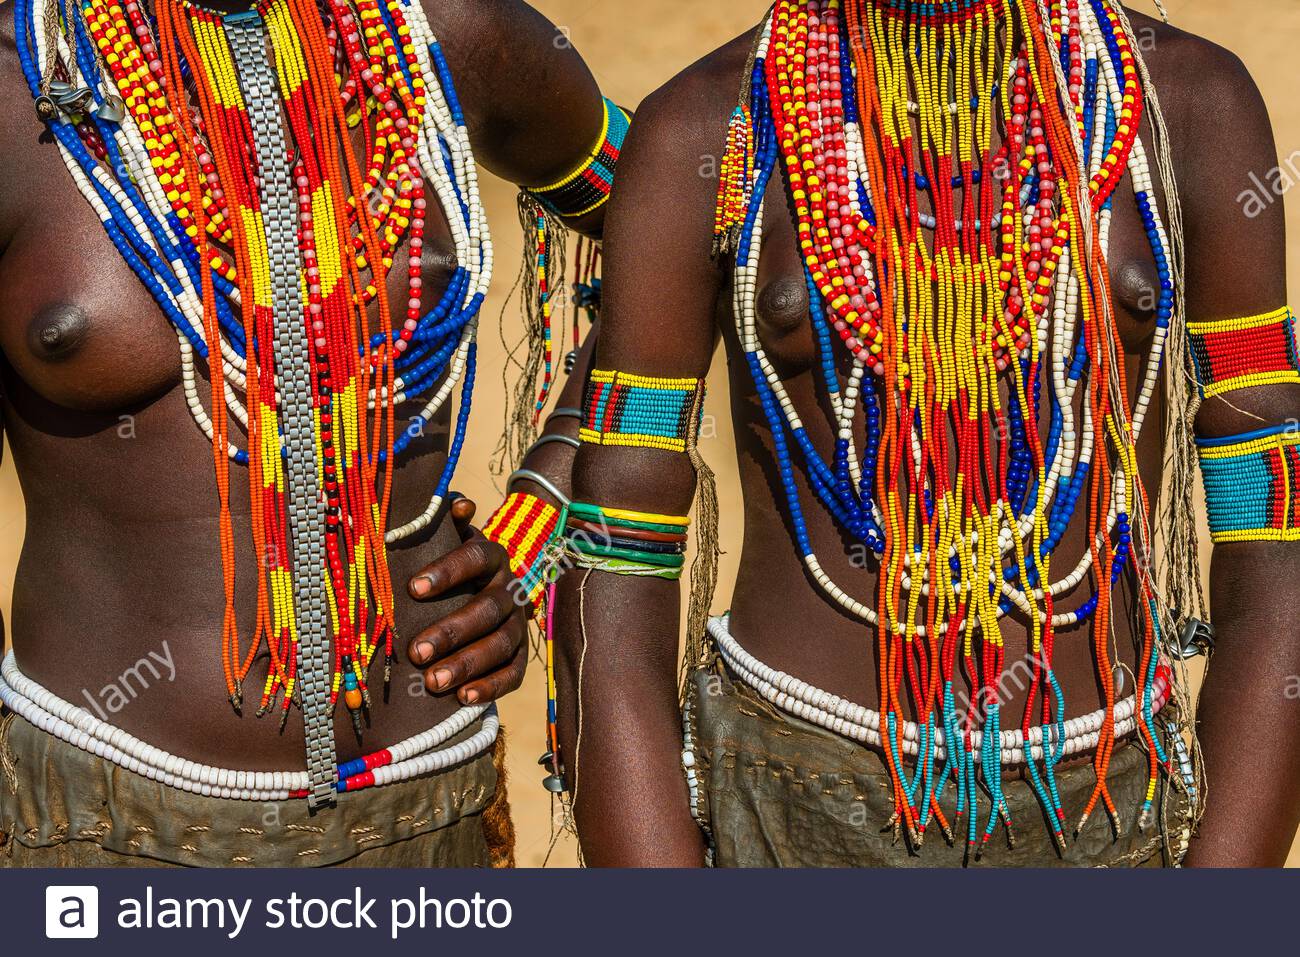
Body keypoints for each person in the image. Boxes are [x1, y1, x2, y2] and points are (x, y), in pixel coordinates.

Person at [544, 0, 1300, 867]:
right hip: (789, 794)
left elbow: (1275, 528)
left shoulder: (1184, 103)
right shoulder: (709, 128)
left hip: (1109, 796)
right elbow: (611, 551)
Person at [0, 0, 620, 867]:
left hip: (431, 812)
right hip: (98, 821)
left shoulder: (443, 37)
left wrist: (542, 525)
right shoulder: (22, 73)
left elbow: (693, 230)